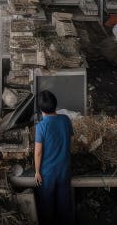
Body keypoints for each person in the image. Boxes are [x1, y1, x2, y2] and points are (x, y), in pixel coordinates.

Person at [34, 90, 74, 225]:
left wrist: (37, 171)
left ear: (40, 109)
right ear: (56, 105)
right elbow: (69, 139)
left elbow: (38, 152)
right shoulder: (65, 119)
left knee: (46, 205)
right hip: (64, 169)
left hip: (47, 172)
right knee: (64, 204)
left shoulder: (41, 126)